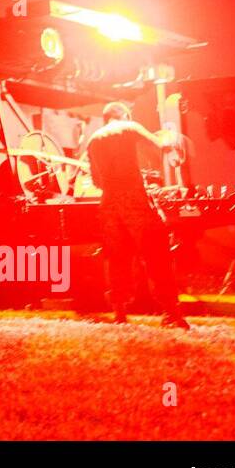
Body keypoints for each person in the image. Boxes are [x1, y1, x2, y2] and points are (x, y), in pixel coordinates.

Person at [85, 101, 190, 329]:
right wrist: (172, 138)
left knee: (117, 259)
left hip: (109, 205)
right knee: (157, 253)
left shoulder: (93, 140)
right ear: (122, 114)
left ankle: (120, 315)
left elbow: (96, 181)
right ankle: (172, 313)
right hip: (134, 202)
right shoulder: (128, 127)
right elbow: (159, 145)